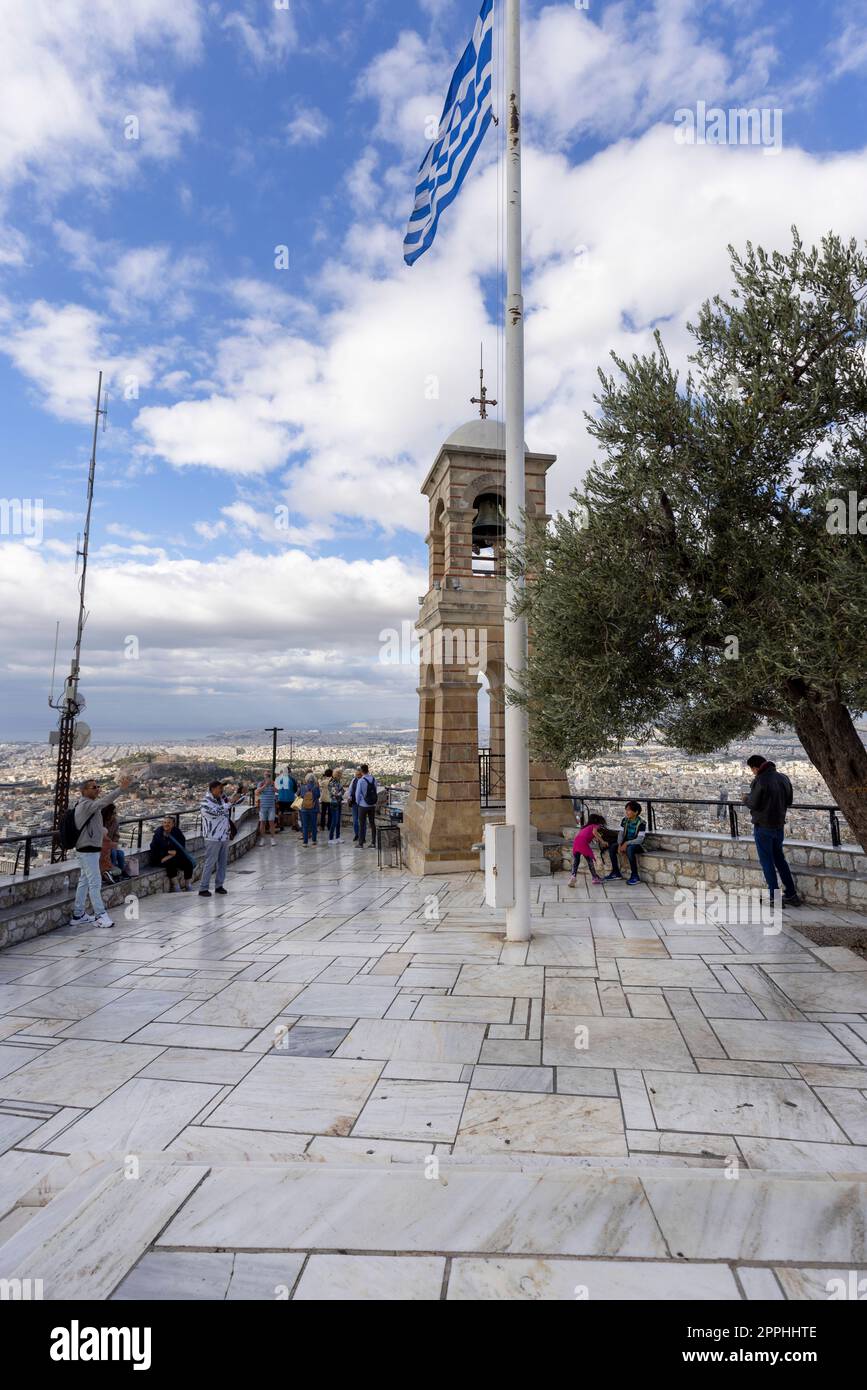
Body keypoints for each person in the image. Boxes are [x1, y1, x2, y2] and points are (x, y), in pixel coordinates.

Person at [68, 774, 132, 928]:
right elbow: (105, 801)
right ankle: (100, 916)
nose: (97, 789)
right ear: (83, 791)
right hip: (88, 850)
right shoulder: (86, 805)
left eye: (98, 786)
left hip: (88, 849)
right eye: (94, 787)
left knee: (84, 881)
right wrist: (120, 789)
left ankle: (78, 914)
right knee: (95, 883)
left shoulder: (87, 805)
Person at [745, 754, 801, 908]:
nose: (752, 772)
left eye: (752, 769)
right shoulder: (783, 778)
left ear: (755, 767)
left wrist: (745, 799)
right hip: (779, 826)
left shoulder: (760, 780)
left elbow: (754, 803)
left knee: (767, 862)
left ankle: (774, 898)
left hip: (763, 827)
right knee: (780, 860)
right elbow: (789, 801)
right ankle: (792, 895)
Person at [199, 779, 245, 896]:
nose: (222, 790)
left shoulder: (221, 799)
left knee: (223, 863)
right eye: (220, 788)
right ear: (212, 789)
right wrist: (229, 803)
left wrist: (241, 793)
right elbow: (217, 812)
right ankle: (203, 888)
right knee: (210, 862)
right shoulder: (205, 802)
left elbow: (235, 802)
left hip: (224, 836)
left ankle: (219, 885)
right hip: (212, 837)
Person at [150, 816, 195, 892]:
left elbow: (181, 844)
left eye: (168, 823)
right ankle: (176, 886)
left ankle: (188, 885)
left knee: (188, 863)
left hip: (176, 854)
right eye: (164, 822)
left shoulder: (176, 831)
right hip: (161, 856)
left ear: (173, 824)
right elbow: (154, 847)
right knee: (171, 864)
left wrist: (175, 852)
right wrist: (168, 853)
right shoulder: (159, 833)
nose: (166, 824)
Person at [608, 800, 647, 885]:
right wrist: (619, 844)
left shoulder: (641, 823)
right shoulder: (625, 820)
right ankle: (615, 872)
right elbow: (621, 833)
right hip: (626, 843)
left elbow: (640, 839)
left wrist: (626, 843)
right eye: (626, 810)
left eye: (629, 810)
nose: (627, 812)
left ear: (636, 812)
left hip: (638, 845)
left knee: (630, 849)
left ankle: (635, 876)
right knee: (612, 847)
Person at [569, 814, 607, 886]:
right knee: (590, 861)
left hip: (576, 842)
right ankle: (594, 878)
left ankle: (573, 876)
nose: (601, 826)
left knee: (576, 861)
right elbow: (594, 833)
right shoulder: (595, 825)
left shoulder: (586, 827)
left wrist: (596, 839)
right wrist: (602, 841)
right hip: (583, 843)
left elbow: (590, 835)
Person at [99, 803, 131, 884]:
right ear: (108, 813)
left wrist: (113, 844)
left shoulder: (115, 822)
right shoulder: (100, 822)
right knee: (113, 853)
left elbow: (116, 835)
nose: (115, 815)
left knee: (120, 853)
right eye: (113, 813)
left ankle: (121, 871)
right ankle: (111, 874)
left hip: (111, 844)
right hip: (101, 847)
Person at [356, 764, 378, 849]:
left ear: (361, 771)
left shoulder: (361, 781)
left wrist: (358, 803)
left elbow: (357, 794)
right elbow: (375, 790)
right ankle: (373, 843)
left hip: (363, 805)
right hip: (372, 804)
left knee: (362, 824)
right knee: (372, 823)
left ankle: (361, 843)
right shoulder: (373, 779)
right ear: (368, 770)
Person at [256, 772, 278, 847]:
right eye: (266, 775)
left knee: (271, 822)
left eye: (268, 776)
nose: (267, 777)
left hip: (271, 806)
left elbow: (278, 791)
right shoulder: (261, 783)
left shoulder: (273, 783)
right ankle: (262, 839)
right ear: (264, 776)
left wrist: (272, 785)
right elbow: (257, 792)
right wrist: (265, 785)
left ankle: (272, 838)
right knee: (262, 822)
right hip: (263, 806)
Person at [299, 773, 320, 845]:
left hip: (304, 808)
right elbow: (318, 796)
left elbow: (300, 796)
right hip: (313, 808)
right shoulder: (316, 787)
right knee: (313, 825)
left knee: (305, 825)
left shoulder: (302, 787)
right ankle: (314, 840)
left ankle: (305, 842)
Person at [276, 766, 298, 830]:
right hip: (290, 798)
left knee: (280, 811)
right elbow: (295, 789)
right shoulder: (292, 779)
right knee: (293, 811)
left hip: (281, 798)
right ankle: (294, 825)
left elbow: (276, 788)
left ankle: (281, 825)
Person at [347, 765, 363, 841]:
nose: (358, 775)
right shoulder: (354, 780)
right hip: (356, 802)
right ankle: (358, 834)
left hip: (360, 803)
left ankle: (360, 835)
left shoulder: (361, 780)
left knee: (359, 820)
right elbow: (350, 790)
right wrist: (349, 797)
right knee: (356, 820)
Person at [328, 768, 345, 841]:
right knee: (334, 821)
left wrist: (341, 792)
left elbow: (341, 791)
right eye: (340, 774)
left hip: (338, 802)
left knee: (338, 821)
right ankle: (331, 838)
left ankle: (338, 837)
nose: (341, 776)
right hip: (334, 803)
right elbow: (335, 793)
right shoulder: (332, 782)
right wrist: (341, 792)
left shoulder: (338, 782)